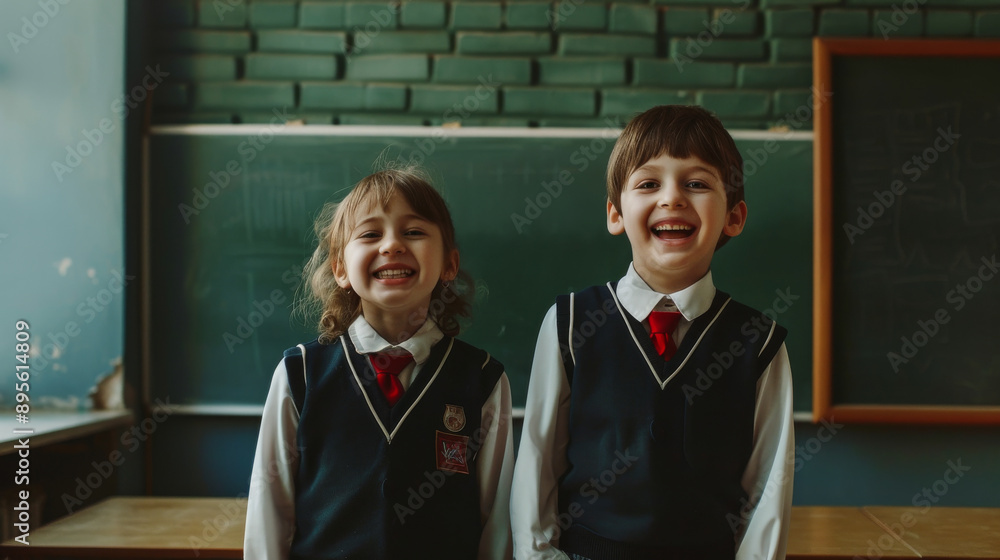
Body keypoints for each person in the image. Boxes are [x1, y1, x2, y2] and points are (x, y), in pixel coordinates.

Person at [511, 105, 794, 560]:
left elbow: (767, 489)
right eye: (648, 183)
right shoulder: (569, 322)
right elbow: (538, 463)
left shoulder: (758, 342)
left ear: (734, 217)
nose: (672, 198)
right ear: (615, 213)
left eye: (697, 183)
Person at [245, 167, 514, 560]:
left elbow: (498, 520)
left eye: (414, 232)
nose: (392, 245)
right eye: (370, 234)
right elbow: (270, 511)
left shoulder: (483, 379)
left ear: (449, 265)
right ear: (340, 269)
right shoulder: (299, 375)